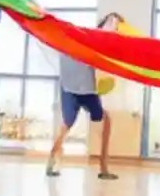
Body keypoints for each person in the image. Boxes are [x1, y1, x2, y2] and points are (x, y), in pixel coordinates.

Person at [47, 13, 121, 180]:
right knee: (67, 124)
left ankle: (103, 166)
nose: (114, 27)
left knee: (104, 120)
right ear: (104, 23)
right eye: (111, 22)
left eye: (116, 25)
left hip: (86, 89)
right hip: (72, 87)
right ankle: (53, 159)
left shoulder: (101, 42)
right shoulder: (89, 37)